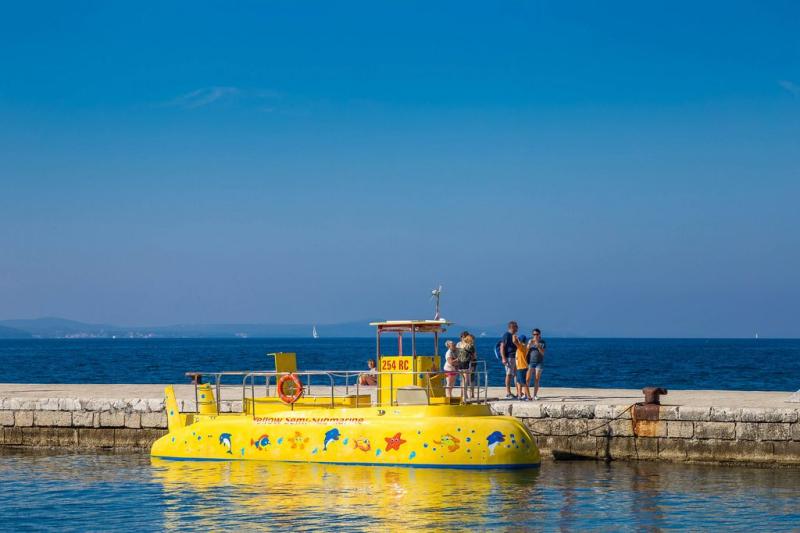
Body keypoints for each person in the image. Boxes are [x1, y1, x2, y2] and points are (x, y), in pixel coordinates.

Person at [498, 321, 518, 399]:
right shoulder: (506, 335)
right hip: (509, 357)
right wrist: (503, 358)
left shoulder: (513, 335)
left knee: (516, 375)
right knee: (509, 374)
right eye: (516, 326)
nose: (517, 328)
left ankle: (518, 392)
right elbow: (502, 346)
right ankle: (508, 392)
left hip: (515, 357)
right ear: (512, 327)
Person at [526, 328, 547, 400]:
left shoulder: (542, 342)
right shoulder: (530, 341)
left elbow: (543, 353)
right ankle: (527, 394)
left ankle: (535, 395)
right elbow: (526, 351)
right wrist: (529, 344)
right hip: (530, 362)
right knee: (528, 379)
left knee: (537, 379)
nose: (535, 336)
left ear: (539, 335)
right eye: (534, 334)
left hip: (539, 362)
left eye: (537, 334)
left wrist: (538, 346)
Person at [456, 331, 476, 399]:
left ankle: (464, 394)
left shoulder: (460, 345)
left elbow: (458, 354)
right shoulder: (470, 346)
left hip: (460, 364)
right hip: (467, 363)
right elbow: (474, 356)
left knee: (463, 380)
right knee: (466, 380)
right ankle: (465, 395)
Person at [513, 334, 530, 400]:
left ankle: (528, 396)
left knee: (523, 382)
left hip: (522, 367)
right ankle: (519, 396)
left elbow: (514, 341)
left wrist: (514, 335)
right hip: (520, 367)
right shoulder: (524, 347)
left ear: (520, 340)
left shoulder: (521, 346)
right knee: (518, 382)